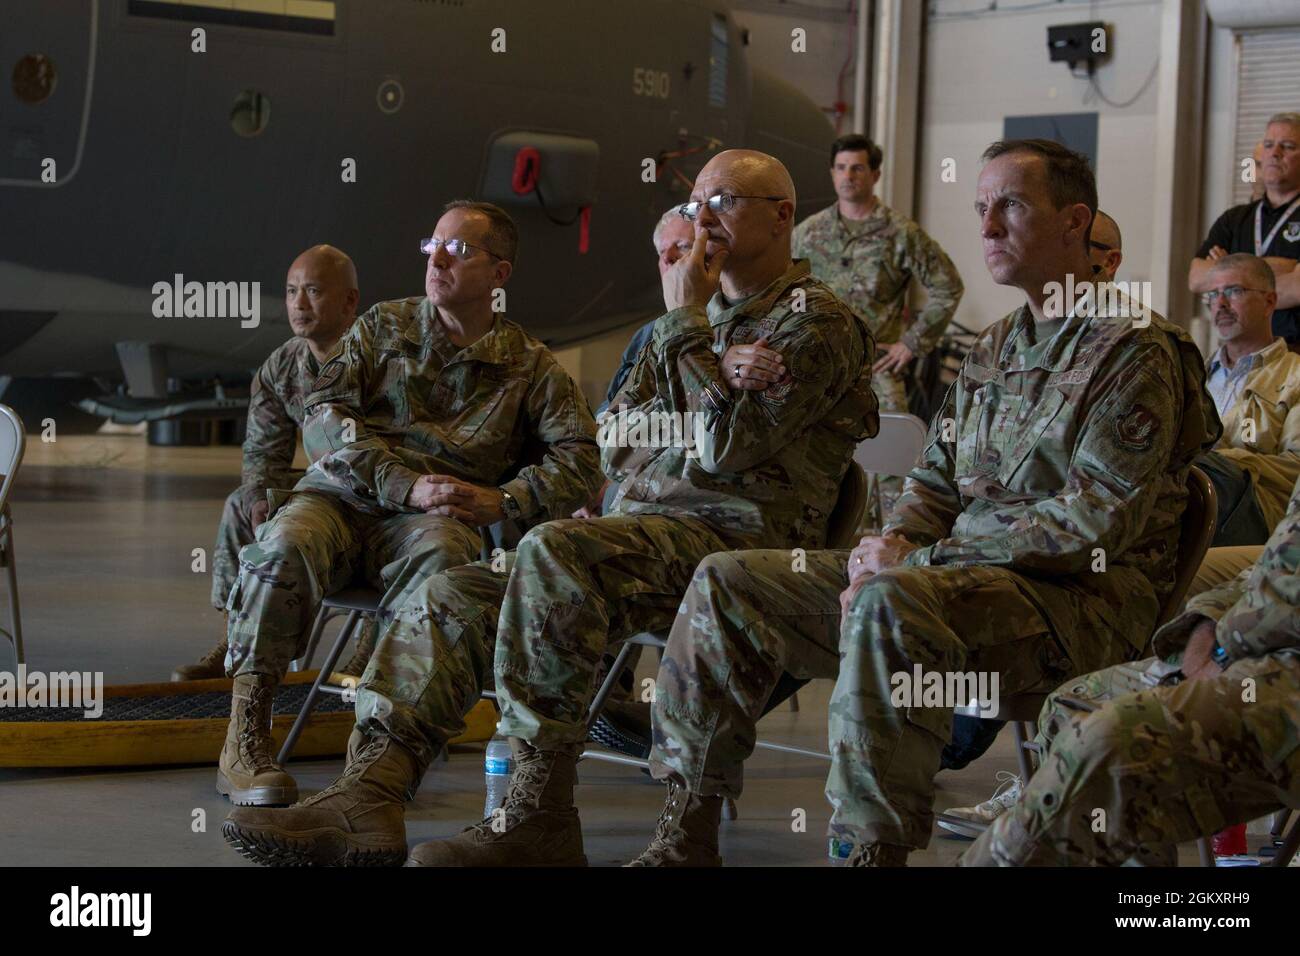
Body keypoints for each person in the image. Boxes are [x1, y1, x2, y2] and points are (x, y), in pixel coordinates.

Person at [218, 148, 879, 867]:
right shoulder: (693, 323)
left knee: (554, 549)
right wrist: (708, 364)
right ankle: (370, 796)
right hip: (638, 539)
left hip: (736, 546)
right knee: (456, 591)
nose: (703, 219)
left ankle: (536, 817)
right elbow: (618, 436)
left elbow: (723, 447)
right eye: (695, 205)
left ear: (783, 217)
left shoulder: (816, 322)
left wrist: (686, 331)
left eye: (726, 202)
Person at [829, 139, 1217, 866]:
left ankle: (866, 855)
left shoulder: (1135, 350)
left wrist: (919, 560)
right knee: (735, 580)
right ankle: (682, 823)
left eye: (1009, 206)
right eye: (980, 209)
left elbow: (1092, 526)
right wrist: (885, 549)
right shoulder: (993, 345)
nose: (986, 229)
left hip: (1082, 603)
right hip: (958, 582)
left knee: (887, 606)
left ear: (1075, 222)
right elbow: (934, 481)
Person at [214, 200, 602, 808]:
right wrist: (402, 484)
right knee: (284, 543)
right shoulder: (380, 328)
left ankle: (378, 755)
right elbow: (322, 416)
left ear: (499, 275)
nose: (438, 259)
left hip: (431, 524)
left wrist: (504, 499)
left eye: (459, 249)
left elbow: (579, 459)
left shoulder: (529, 365)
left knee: (444, 559)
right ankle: (246, 737)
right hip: (344, 499)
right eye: (433, 245)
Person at [960, 473, 1300, 867]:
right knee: (1072, 705)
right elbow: (1272, 568)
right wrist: (1209, 624)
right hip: (1268, 645)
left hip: (1282, 666)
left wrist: (1228, 643)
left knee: (1108, 741)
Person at [174, 245, 360, 681]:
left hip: (375, 495)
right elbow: (262, 450)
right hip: (322, 491)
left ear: (349, 300)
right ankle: (235, 638)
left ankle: (369, 651)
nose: (299, 304)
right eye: (292, 291)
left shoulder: (376, 356)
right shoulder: (283, 365)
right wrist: (261, 494)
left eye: (313, 291)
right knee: (241, 503)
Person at [793, 133, 963, 414]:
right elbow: (782, 289)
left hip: (874, 371)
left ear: (875, 174)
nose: (848, 175)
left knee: (887, 450)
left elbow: (949, 287)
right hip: (814, 368)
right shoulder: (807, 233)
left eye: (857, 168)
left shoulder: (900, 234)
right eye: (841, 167)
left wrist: (911, 343)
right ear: (832, 173)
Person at [1195, 253, 1300, 550]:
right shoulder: (1192, 376)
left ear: (1270, 302)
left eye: (1234, 291)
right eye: (1213, 294)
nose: (1221, 304)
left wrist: (1222, 460)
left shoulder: (1295, 376)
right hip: (1186, 506)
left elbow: (1297, 467)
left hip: (1259, 515)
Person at [1190, 113, 1300, 345]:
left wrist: (1228, 268)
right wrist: (1284, 268)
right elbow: (1197, 278)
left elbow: (1297, 288)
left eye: (1287, 146)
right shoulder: (1235, 219)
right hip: (1240, 353)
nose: (1274, 153)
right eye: (1269, 145)